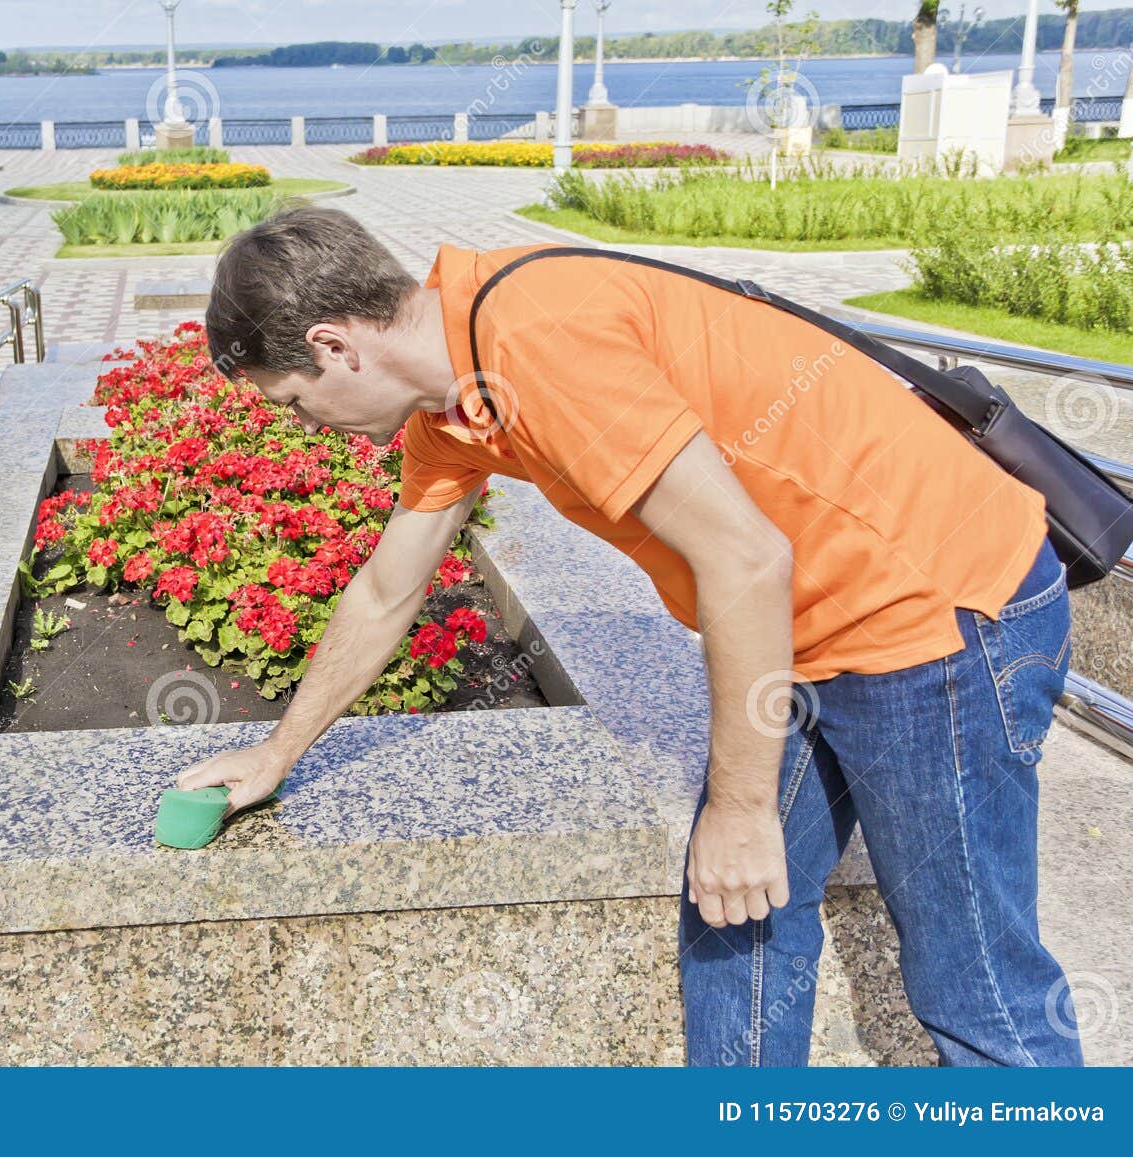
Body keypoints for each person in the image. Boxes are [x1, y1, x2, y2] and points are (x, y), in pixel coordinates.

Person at [178, 206, 1080, 1066]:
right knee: (734, 913)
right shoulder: (452, 404)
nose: (307, 426)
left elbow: (747, 559)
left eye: (294, 400)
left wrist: (739, 807)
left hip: (938, 614)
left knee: (975, 984)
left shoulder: (534, 338)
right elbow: (384, 590)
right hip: (803, 631)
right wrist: (276, 753)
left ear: (335, 344)